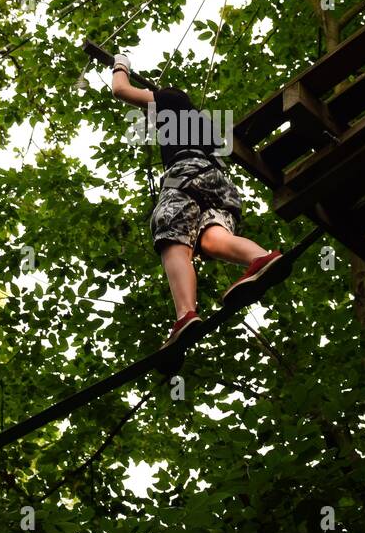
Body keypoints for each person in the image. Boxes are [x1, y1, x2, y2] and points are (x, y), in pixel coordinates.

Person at [110, 52, 283, 348]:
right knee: (210, 239)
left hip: (184, 175)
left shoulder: (170, 100)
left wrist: (120, 64)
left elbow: (120, 90)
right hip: (218, 182)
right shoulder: (203, 126)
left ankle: (185, 313)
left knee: (171, 232)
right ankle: (261, 258)